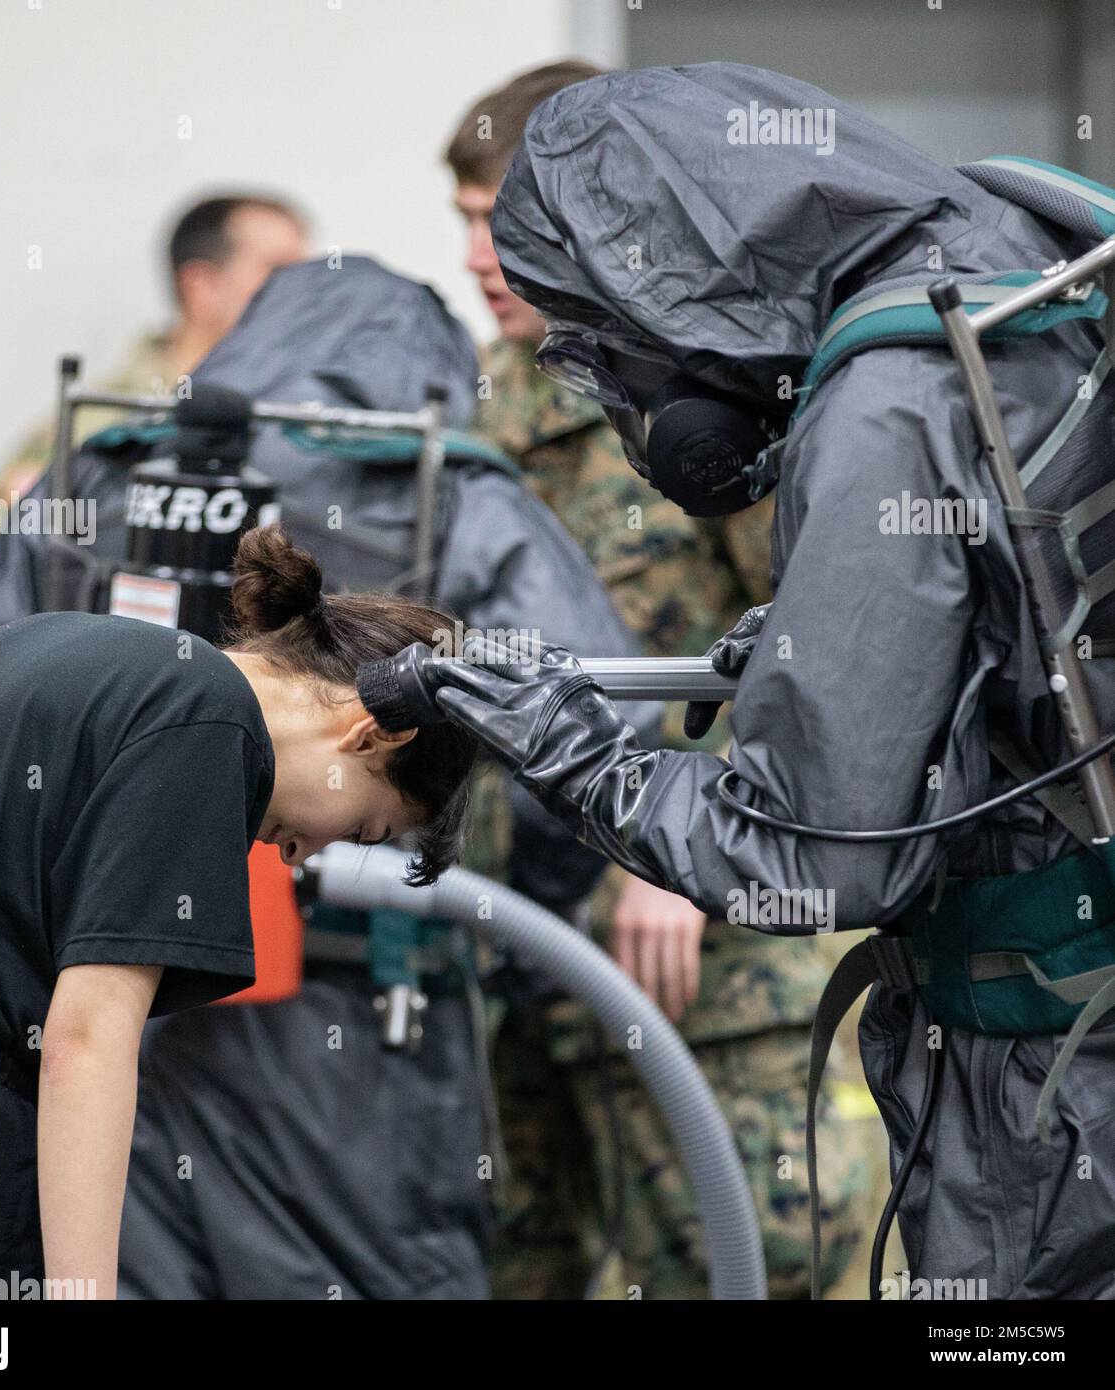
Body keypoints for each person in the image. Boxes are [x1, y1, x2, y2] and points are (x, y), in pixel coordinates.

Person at [415, 63, 1115, 1299]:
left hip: (1047, 1078)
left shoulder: (885, 392)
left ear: (656, 273)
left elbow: (816, 856)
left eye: (607, 342)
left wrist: (578, 754)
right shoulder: (1025, 246)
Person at [0, 252, 657, 1298]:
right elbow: (603, 729)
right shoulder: (445, 486)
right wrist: (511, 931)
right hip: (359, 1012)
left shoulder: (99, 469)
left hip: (103, 1003)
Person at [445, 61, 868, 1299]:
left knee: (742, 1264)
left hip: (703, 944)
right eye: (461, 220)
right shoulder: (479, 408)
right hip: (529, 941)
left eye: (494, 215)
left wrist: (692, 844)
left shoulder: (706, 387)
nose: (476, 253)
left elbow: (821, 644)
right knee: (528, 1265)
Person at [0, 524, 477, 1299]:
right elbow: (86, 1040)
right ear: (373, 733)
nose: (300, 857)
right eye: (358, 828)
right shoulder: (209, 722)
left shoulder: (54, 646)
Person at [0, 192, 309, 585]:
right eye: (277, 272)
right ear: (203, 284)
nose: (301, 294)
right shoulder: (92, 425)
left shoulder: (303, 420)